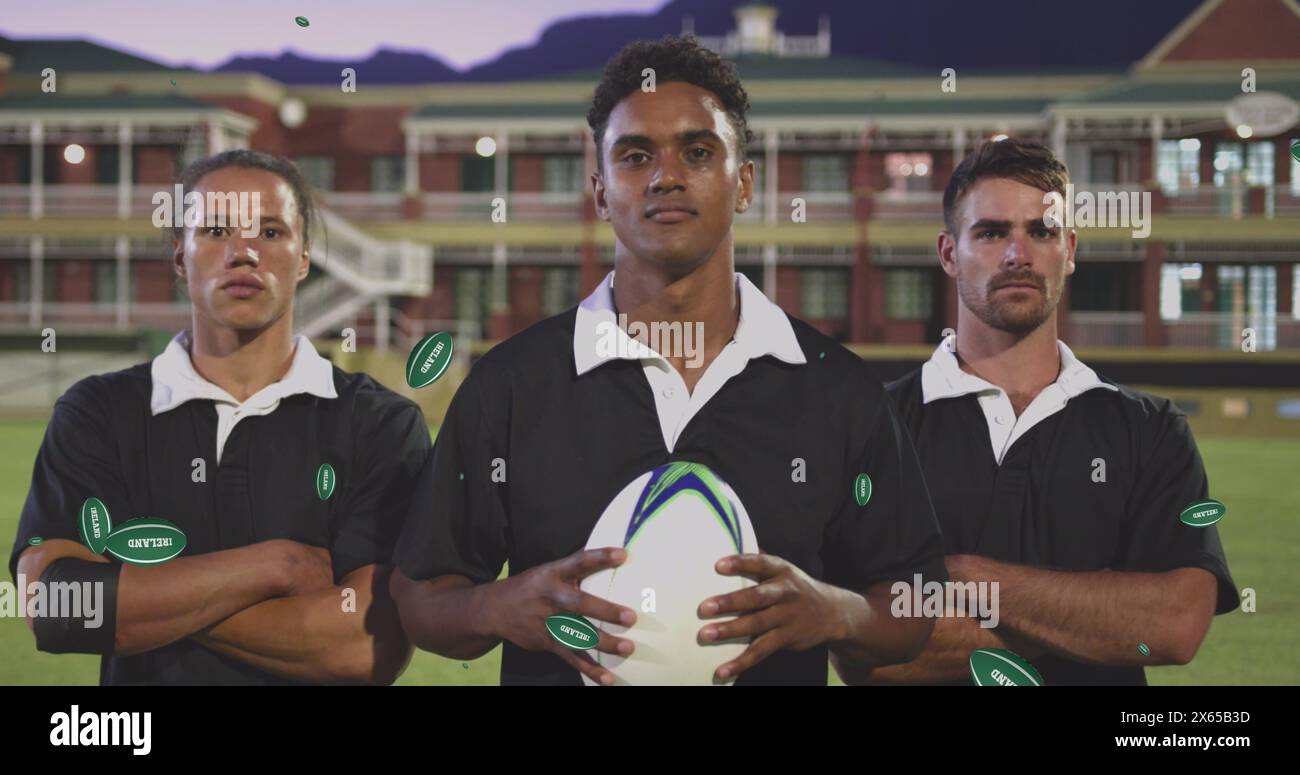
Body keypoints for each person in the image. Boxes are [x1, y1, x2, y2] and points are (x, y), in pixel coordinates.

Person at [391, 35, 945, 686]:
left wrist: (841, 612)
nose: (666, 176)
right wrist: (493, 604)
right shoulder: (510, 384)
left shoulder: (840, 389)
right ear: (599, 192)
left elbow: (913, 603)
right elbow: (419, 596)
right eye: (635, 155)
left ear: (744, 183)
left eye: (698, 150)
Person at [11, 150, 427, 684]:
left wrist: (144, 598)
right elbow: (56, 607)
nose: (244, 253)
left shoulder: (382, 425)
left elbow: (364, 648)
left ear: (304, 257)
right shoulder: (98, 411)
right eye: (214, 230)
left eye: (271, 233)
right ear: (180, 256)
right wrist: (276, 566)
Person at [863, 138, 1237, 685]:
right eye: (991, 232)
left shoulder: (1150, 429)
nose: (1018, 254)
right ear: (948, 253)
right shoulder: (875, 427)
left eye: (1042, 232)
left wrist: (967, 578)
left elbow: (1175, 624)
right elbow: (874, 653)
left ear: (1069, 249)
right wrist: (1093, 612)